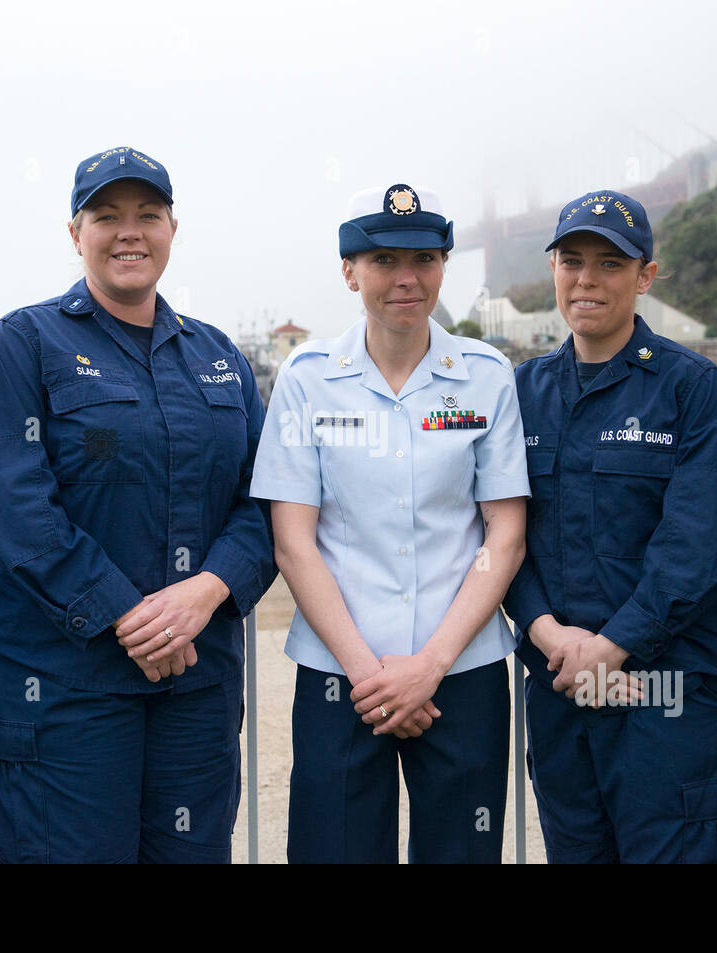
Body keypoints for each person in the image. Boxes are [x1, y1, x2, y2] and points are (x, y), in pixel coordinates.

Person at [0, 146, 274, 864]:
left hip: (195, 693)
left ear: (172, 229)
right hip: (67, 693)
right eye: (107, 216)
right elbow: (16, 509)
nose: (129, 231)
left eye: (148, 215)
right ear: (76, 233)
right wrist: (131, 618)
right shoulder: (22, 345)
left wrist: (208, 588)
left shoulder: (218, 355)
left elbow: (268, 498)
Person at [251, 183, 529, 863]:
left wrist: (429, 666)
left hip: (462, 669)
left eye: (426, 259)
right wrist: (369, 675)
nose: (407, 279)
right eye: (383, 262)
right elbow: (295, 542)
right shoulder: (307, 378)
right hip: (339, 675)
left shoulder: (487, 376)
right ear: (350, 272)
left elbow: (505, 536)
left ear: (442, 266)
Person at [503, 191, 717, 863]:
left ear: (646, 275)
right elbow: (501, 536)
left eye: (611, 263)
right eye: (572, 260)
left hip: (665, 694)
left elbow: (696, 547)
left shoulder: (692, 389)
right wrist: (548, 634)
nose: (587, 280)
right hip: (560, 693)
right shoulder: (521, 393)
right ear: (553, 268)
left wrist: (611, 648)